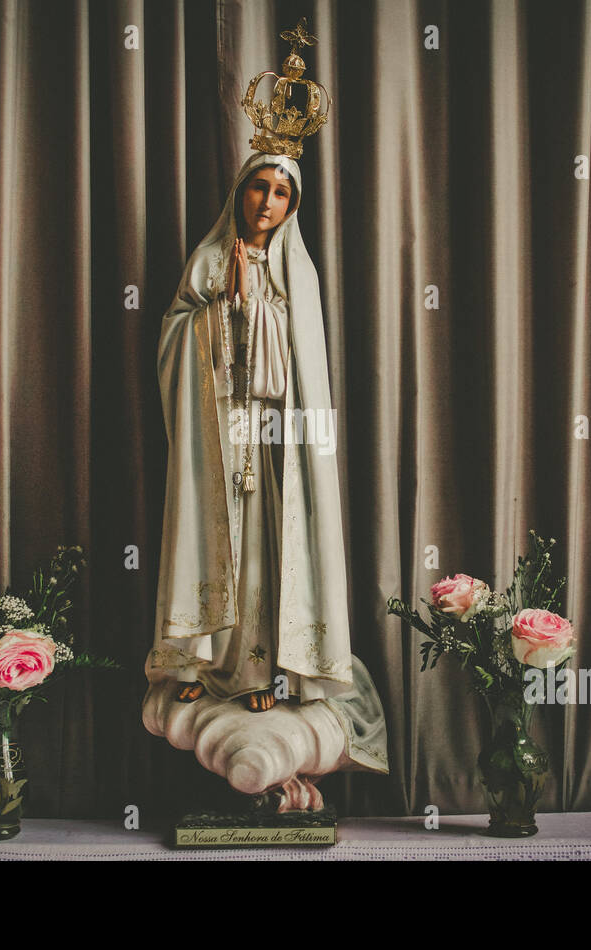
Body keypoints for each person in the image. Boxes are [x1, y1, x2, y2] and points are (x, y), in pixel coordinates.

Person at [147, 151, 386, 776]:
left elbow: (297, 372)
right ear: (239, 193)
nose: (267, 203)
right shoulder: (206, 261)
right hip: (212, 438)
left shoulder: (294, 273)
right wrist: (218, 314)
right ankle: (198, 663)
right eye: (258, 188)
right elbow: (173, 341)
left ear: (291, 208)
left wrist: (257, 309)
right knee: (205, 544)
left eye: (281, 194)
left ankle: (256, 672)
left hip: (270, 442)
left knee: (259, 555)